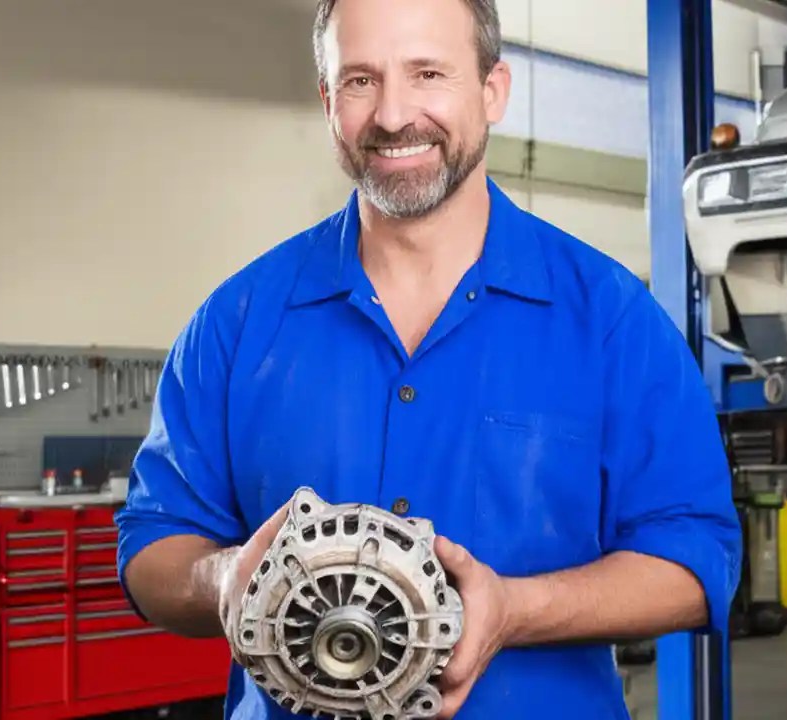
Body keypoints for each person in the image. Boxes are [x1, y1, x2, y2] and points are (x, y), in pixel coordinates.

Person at [115, 0, 742, 717]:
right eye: (359, 81)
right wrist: (226, 581)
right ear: (328, 101)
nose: (392, 114)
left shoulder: (612, 322)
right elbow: (153, 545)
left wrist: (515, 609)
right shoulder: (236, 322)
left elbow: (697, 561)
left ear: (493, 90)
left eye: (429, 73)